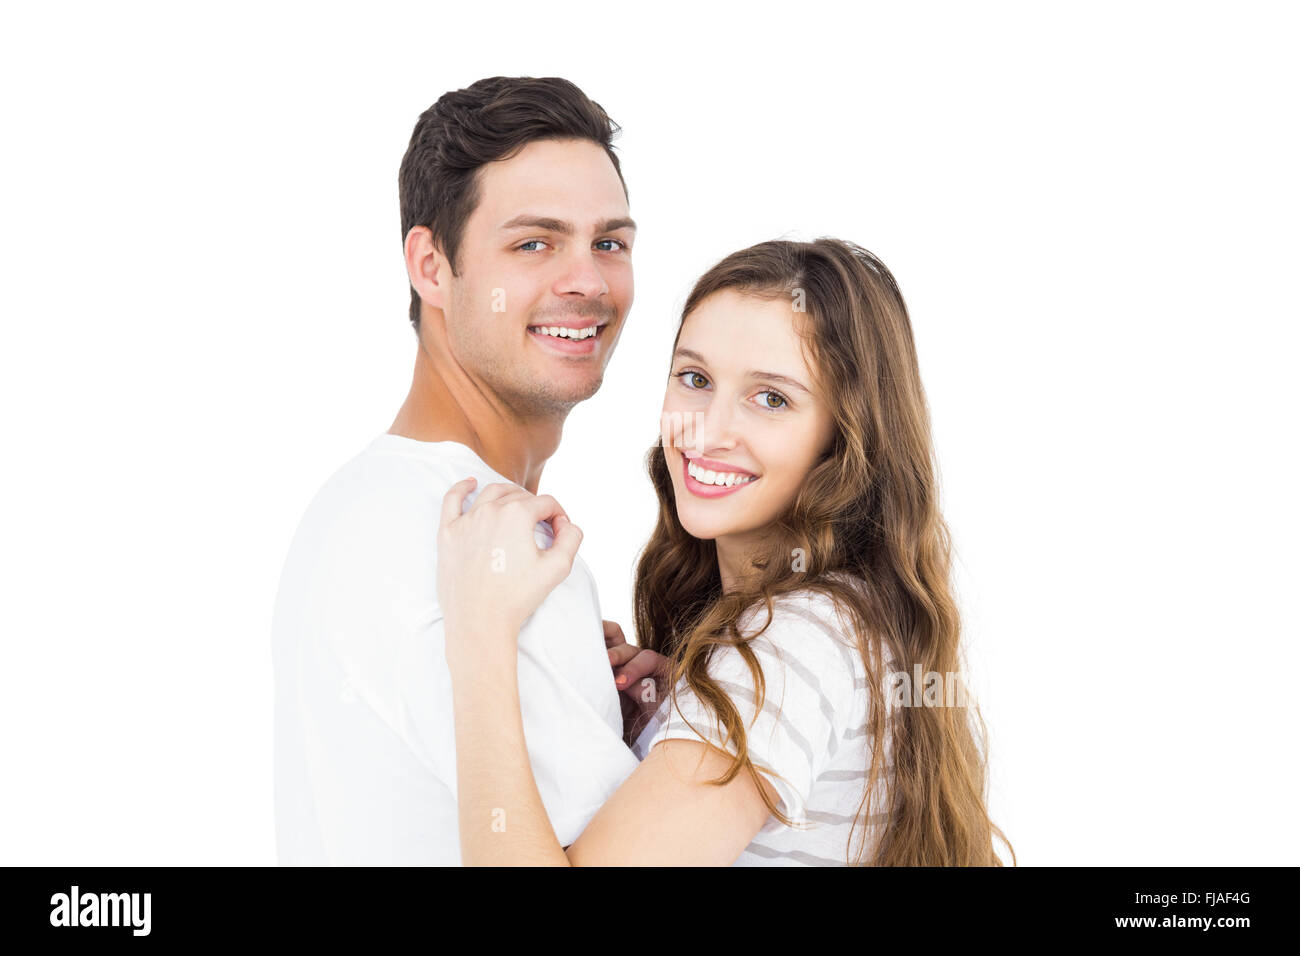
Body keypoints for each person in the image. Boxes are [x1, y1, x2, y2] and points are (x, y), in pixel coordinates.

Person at [438, 238, 1016, 866]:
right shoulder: (835, 622)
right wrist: (680, 712)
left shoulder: (794, 641)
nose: (707, 429)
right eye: (696, 379)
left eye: (772, 398)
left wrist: (479, 636)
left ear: (842, 440)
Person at [271, 76, 639, 864]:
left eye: (609, 241)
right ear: (431, 266)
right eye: (534, 243)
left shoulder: (358, 505)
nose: (588, 280)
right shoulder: (492, 546)